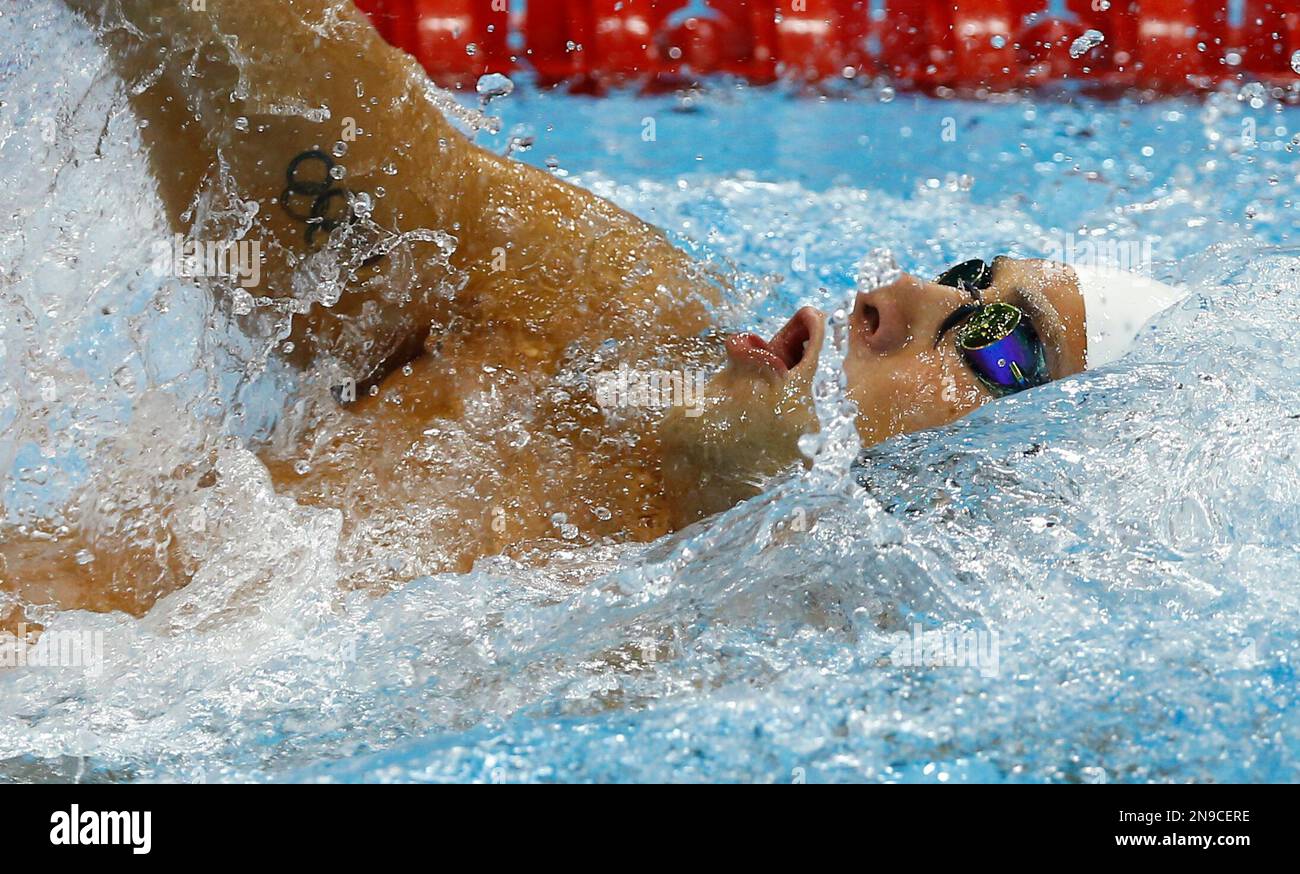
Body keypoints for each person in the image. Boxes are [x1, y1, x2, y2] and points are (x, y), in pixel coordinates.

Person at [0, 0, 1184, 633]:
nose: (895, 297)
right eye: (964, 273)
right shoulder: (575, 327)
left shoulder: (760, 679)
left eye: (999, 346)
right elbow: (229, 49)